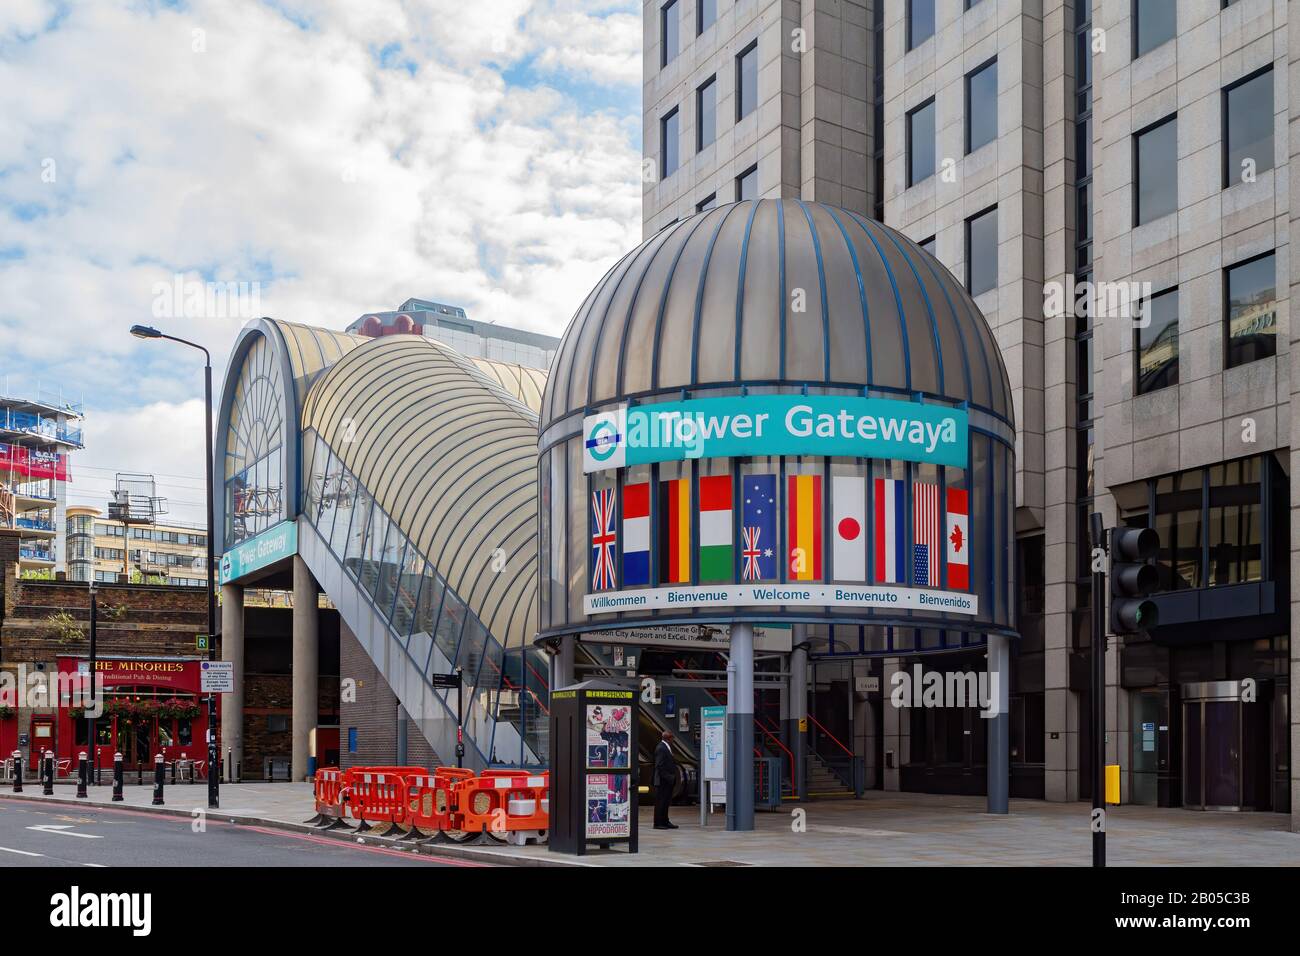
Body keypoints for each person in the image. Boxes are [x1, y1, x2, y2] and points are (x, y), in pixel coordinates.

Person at [653, 730, 679, 830]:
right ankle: (658, 823)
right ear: (668, 738)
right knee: (661, 802)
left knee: (666, 802)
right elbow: (659, 766)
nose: (673, 740)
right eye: (672, 738)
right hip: (662, 781)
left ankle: (665, 820)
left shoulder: (666, 747)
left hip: (666, 781)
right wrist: (669, 777)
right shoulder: (661, 748)